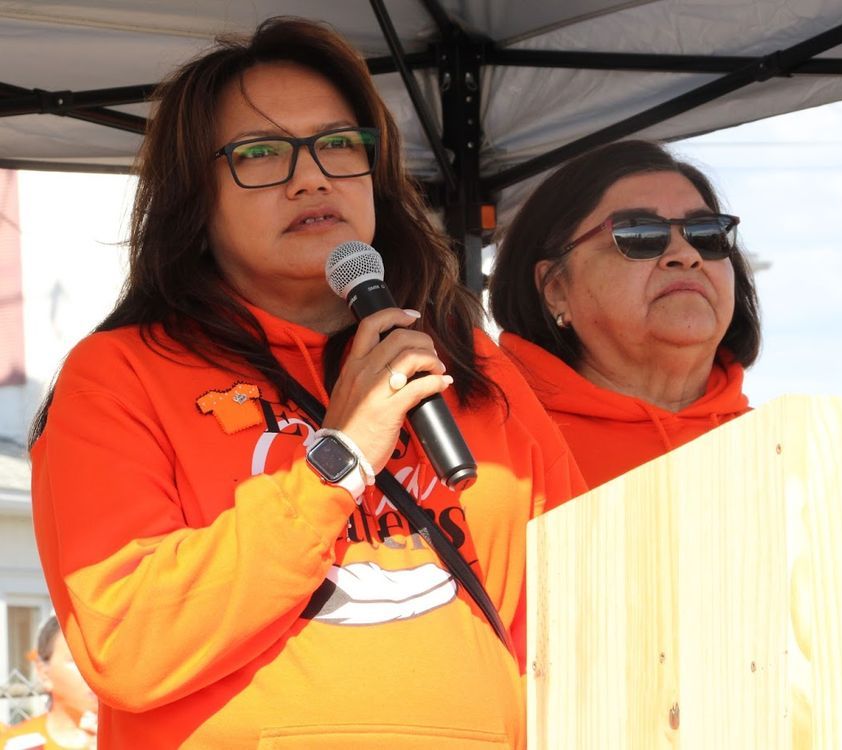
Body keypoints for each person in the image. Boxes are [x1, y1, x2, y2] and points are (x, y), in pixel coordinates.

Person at [28, 17, 581, 748]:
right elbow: (129, 642)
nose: (312, 175)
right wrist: (339, 461)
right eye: (261, 154)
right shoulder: (120, 374)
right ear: (195, 197)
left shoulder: (467, 362)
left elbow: (575, 599)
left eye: (338, 145)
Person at [489, 140, 760, 489]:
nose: (686, 254)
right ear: (555, 289)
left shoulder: (797, 450)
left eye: (707, 234)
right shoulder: (491, 454)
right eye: (640, 234)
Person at [0, 615, 98, 750]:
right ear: (44, 672)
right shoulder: (18, 743)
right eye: (79, 661)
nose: (94, 673)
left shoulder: (132, 740)